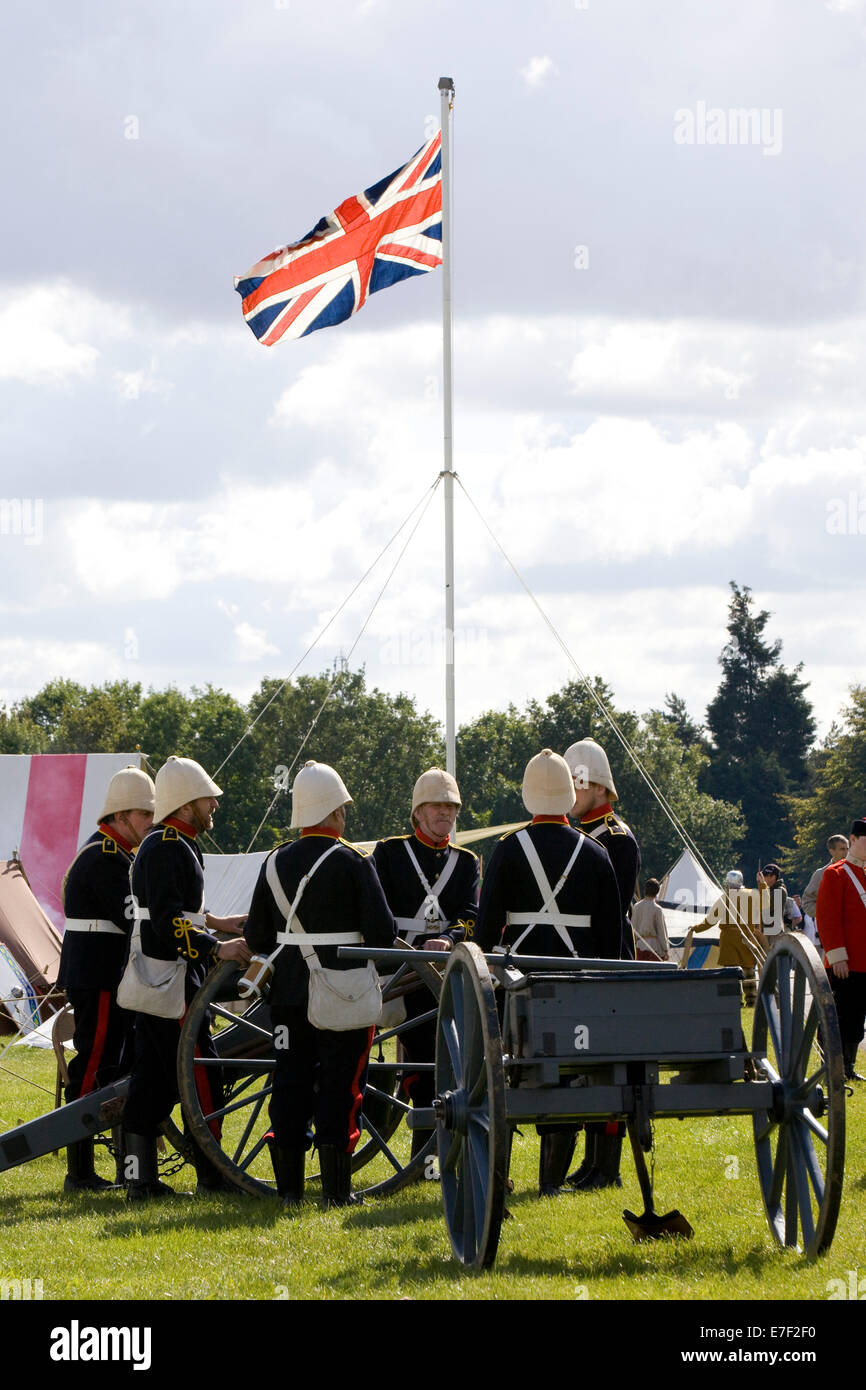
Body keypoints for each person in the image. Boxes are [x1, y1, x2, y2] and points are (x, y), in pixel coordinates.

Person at [244, 760, 396, 1208]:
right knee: (341, 1088)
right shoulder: (353, 861)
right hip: (343, 991)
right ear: (335, 812)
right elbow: (383, 934)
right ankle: (335, 1193)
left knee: (289, 1086)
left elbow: (256, 935)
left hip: (289, 993)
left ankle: (289, 1192)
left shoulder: (275, 862)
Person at [475, 749, 623, 1196]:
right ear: (567, 794)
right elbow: (611, 938)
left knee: (514, 1072)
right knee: (566, 1072)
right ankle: (550, 1182)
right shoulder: (596, 853)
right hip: (575, 981)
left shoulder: (507, 849)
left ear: (527, 797)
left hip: (519, 980)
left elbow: (485, 930)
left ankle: (518, 1173)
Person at [122, 756, 250, 1200]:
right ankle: (214, 1177)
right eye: (206, 798)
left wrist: (219, 922)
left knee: (152, 1082)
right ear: (185, 802)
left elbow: (181, 910)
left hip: (164, 978)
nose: (214, 804)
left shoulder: (174, 842)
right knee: (201, 1077)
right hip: (172, 981)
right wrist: (217, 948)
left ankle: (140, 1182)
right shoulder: (166, 845)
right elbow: (166, 920)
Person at [372, 767, 479, 1164]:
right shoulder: (389, 852)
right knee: (420, 1067)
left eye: (451, 807)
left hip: (444, 973)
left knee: (447, 1065)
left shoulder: (466, 862)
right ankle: (426, 1158)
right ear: (418, 812)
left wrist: (449, 937)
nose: (445, 814)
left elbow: (470, 913)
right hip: (400, 973)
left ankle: (435, 1157)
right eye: (437, 805)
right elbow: (376, 911)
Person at [58, 766, 155, 1192]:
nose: (151, 823)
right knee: (92, 1063)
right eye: (144, 815)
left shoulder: (116, 854)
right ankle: (79, 1172)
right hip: (96, 972)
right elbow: (132, 914)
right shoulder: (103, 857)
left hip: (107, 973)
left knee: (111, 1066)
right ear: (120, 815)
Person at [562, 737, 640, 1189]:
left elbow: (612, 910)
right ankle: (592, 1163)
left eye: (576, 786)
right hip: (578, 962)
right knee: (586, 1065)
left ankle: (607, 1167)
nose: (570, 796)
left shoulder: (615, 838)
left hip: (608, 960)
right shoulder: (579, 835)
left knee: (609, 1064)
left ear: (596, 787)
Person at [816, 818, 866, 1082]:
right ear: (854, 840)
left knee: (857, 1021)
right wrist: (837, 956)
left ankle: (848, 1067)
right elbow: (827, 918)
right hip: (846, 962)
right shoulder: (835, 874)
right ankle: (833, 1067)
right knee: (841, 1016)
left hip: (865, 961)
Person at [694, 869, 764, 1006]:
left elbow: (710, 921)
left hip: (729, 939)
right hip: (746, 937)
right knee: (748, 969)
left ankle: (735, 1001)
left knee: (732, 972)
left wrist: (696, 928)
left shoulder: (724, 898)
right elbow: (765, 902)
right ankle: (751, 1000)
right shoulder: (751, 894)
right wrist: (762, 885)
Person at [802, 836, 849, 936]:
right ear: (831, 851)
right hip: (834, 932)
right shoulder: (820, 874)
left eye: (847, 849)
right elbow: (807, 902)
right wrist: (826, 912)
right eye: (842, 849)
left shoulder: (859, 870)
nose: (846, 853)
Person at [631, 877, 670, 961]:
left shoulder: (637, 906)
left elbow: (633, 928)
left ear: (645, 890)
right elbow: (661, 931)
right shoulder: (657, 909)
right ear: (657, 892)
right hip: (653, 948)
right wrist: (665, 949)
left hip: (639, 946)